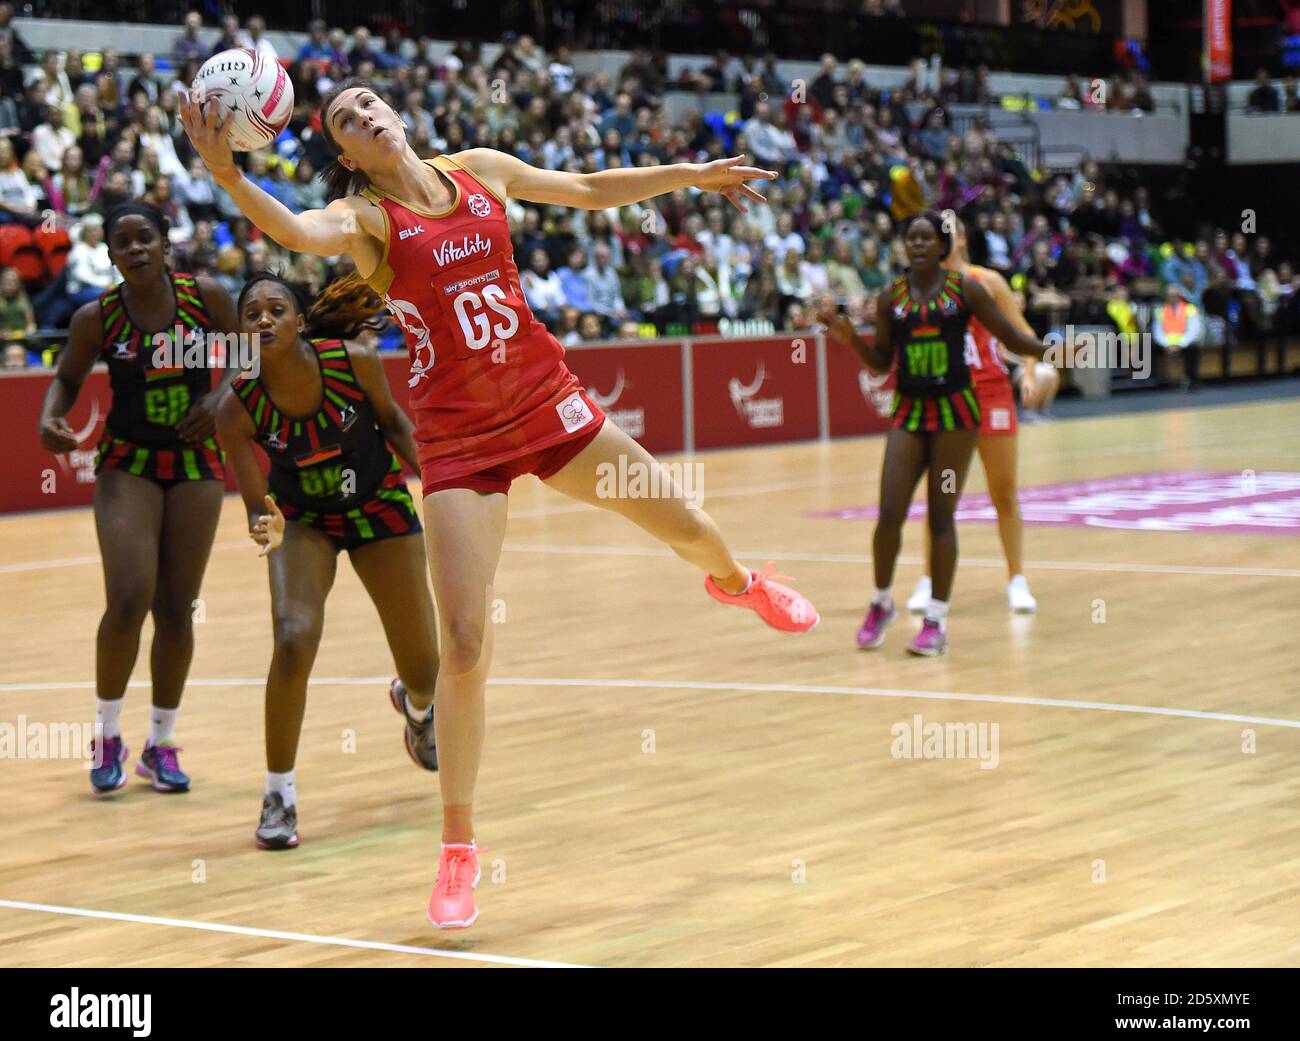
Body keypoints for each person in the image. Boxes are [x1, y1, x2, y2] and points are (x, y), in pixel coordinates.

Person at [180, 77, 818, 930]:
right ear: (346, 154)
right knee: (468, 643)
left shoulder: (479, 171)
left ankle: (739, 582)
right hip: (459, 440)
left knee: (691, 527)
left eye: (370, 102)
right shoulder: (368, 220)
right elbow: (296, 231)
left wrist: (690, 173)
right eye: (345, 119)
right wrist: (228, 177)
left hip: (548, 404)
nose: (365, 114)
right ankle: (458, 850)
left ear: (395, 117)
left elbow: (589, 191)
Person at [217, 272, 440, 850]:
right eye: (251, 314)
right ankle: (278, 795)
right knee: (292, 638)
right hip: (305, 520)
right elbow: (256, 507)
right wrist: (264, 530)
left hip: (377, 504)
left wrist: (440, 487)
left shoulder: (354, 360)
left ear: (298, 322)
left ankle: (416, 709)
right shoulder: (236, 408)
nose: (263, 320)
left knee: (427, 669)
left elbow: (393, 424)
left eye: (276, 310)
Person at [38, 202, 240, 795]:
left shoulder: (206, 296)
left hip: (196, 460)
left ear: (165, 244)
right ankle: (106, 734)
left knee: (177, 608)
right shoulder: (96, 317)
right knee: (129, 597)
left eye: (144, 238)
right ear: (108, 255)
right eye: (121, 242)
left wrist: (218, 401)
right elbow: (68, 379)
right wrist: (52, 416)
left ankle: (162, 742)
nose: (134, 249)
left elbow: (248, 357)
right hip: (128, 462)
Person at [819, 210, 1046, 656]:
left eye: (928, 238)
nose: (919, 245)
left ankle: (936, 621)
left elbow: (1012, 338)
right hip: (909, 411)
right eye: (912, 238)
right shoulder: (892, 299)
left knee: (942, 516)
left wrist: (1053, 349)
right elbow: (883, 363)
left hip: (956, 412)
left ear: (944, 246)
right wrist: (851, 339)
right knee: (889, 513)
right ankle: (881, 601)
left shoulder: (968, 290)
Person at [904, 217, 1057, 615]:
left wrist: (1027, 372)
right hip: (946, 401)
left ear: (962, 238)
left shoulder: (988, 282)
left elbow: (1021, 334)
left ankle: (1017, 579)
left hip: (991, 397)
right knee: (941, 497)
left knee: (1003, 491)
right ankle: (927, 579)